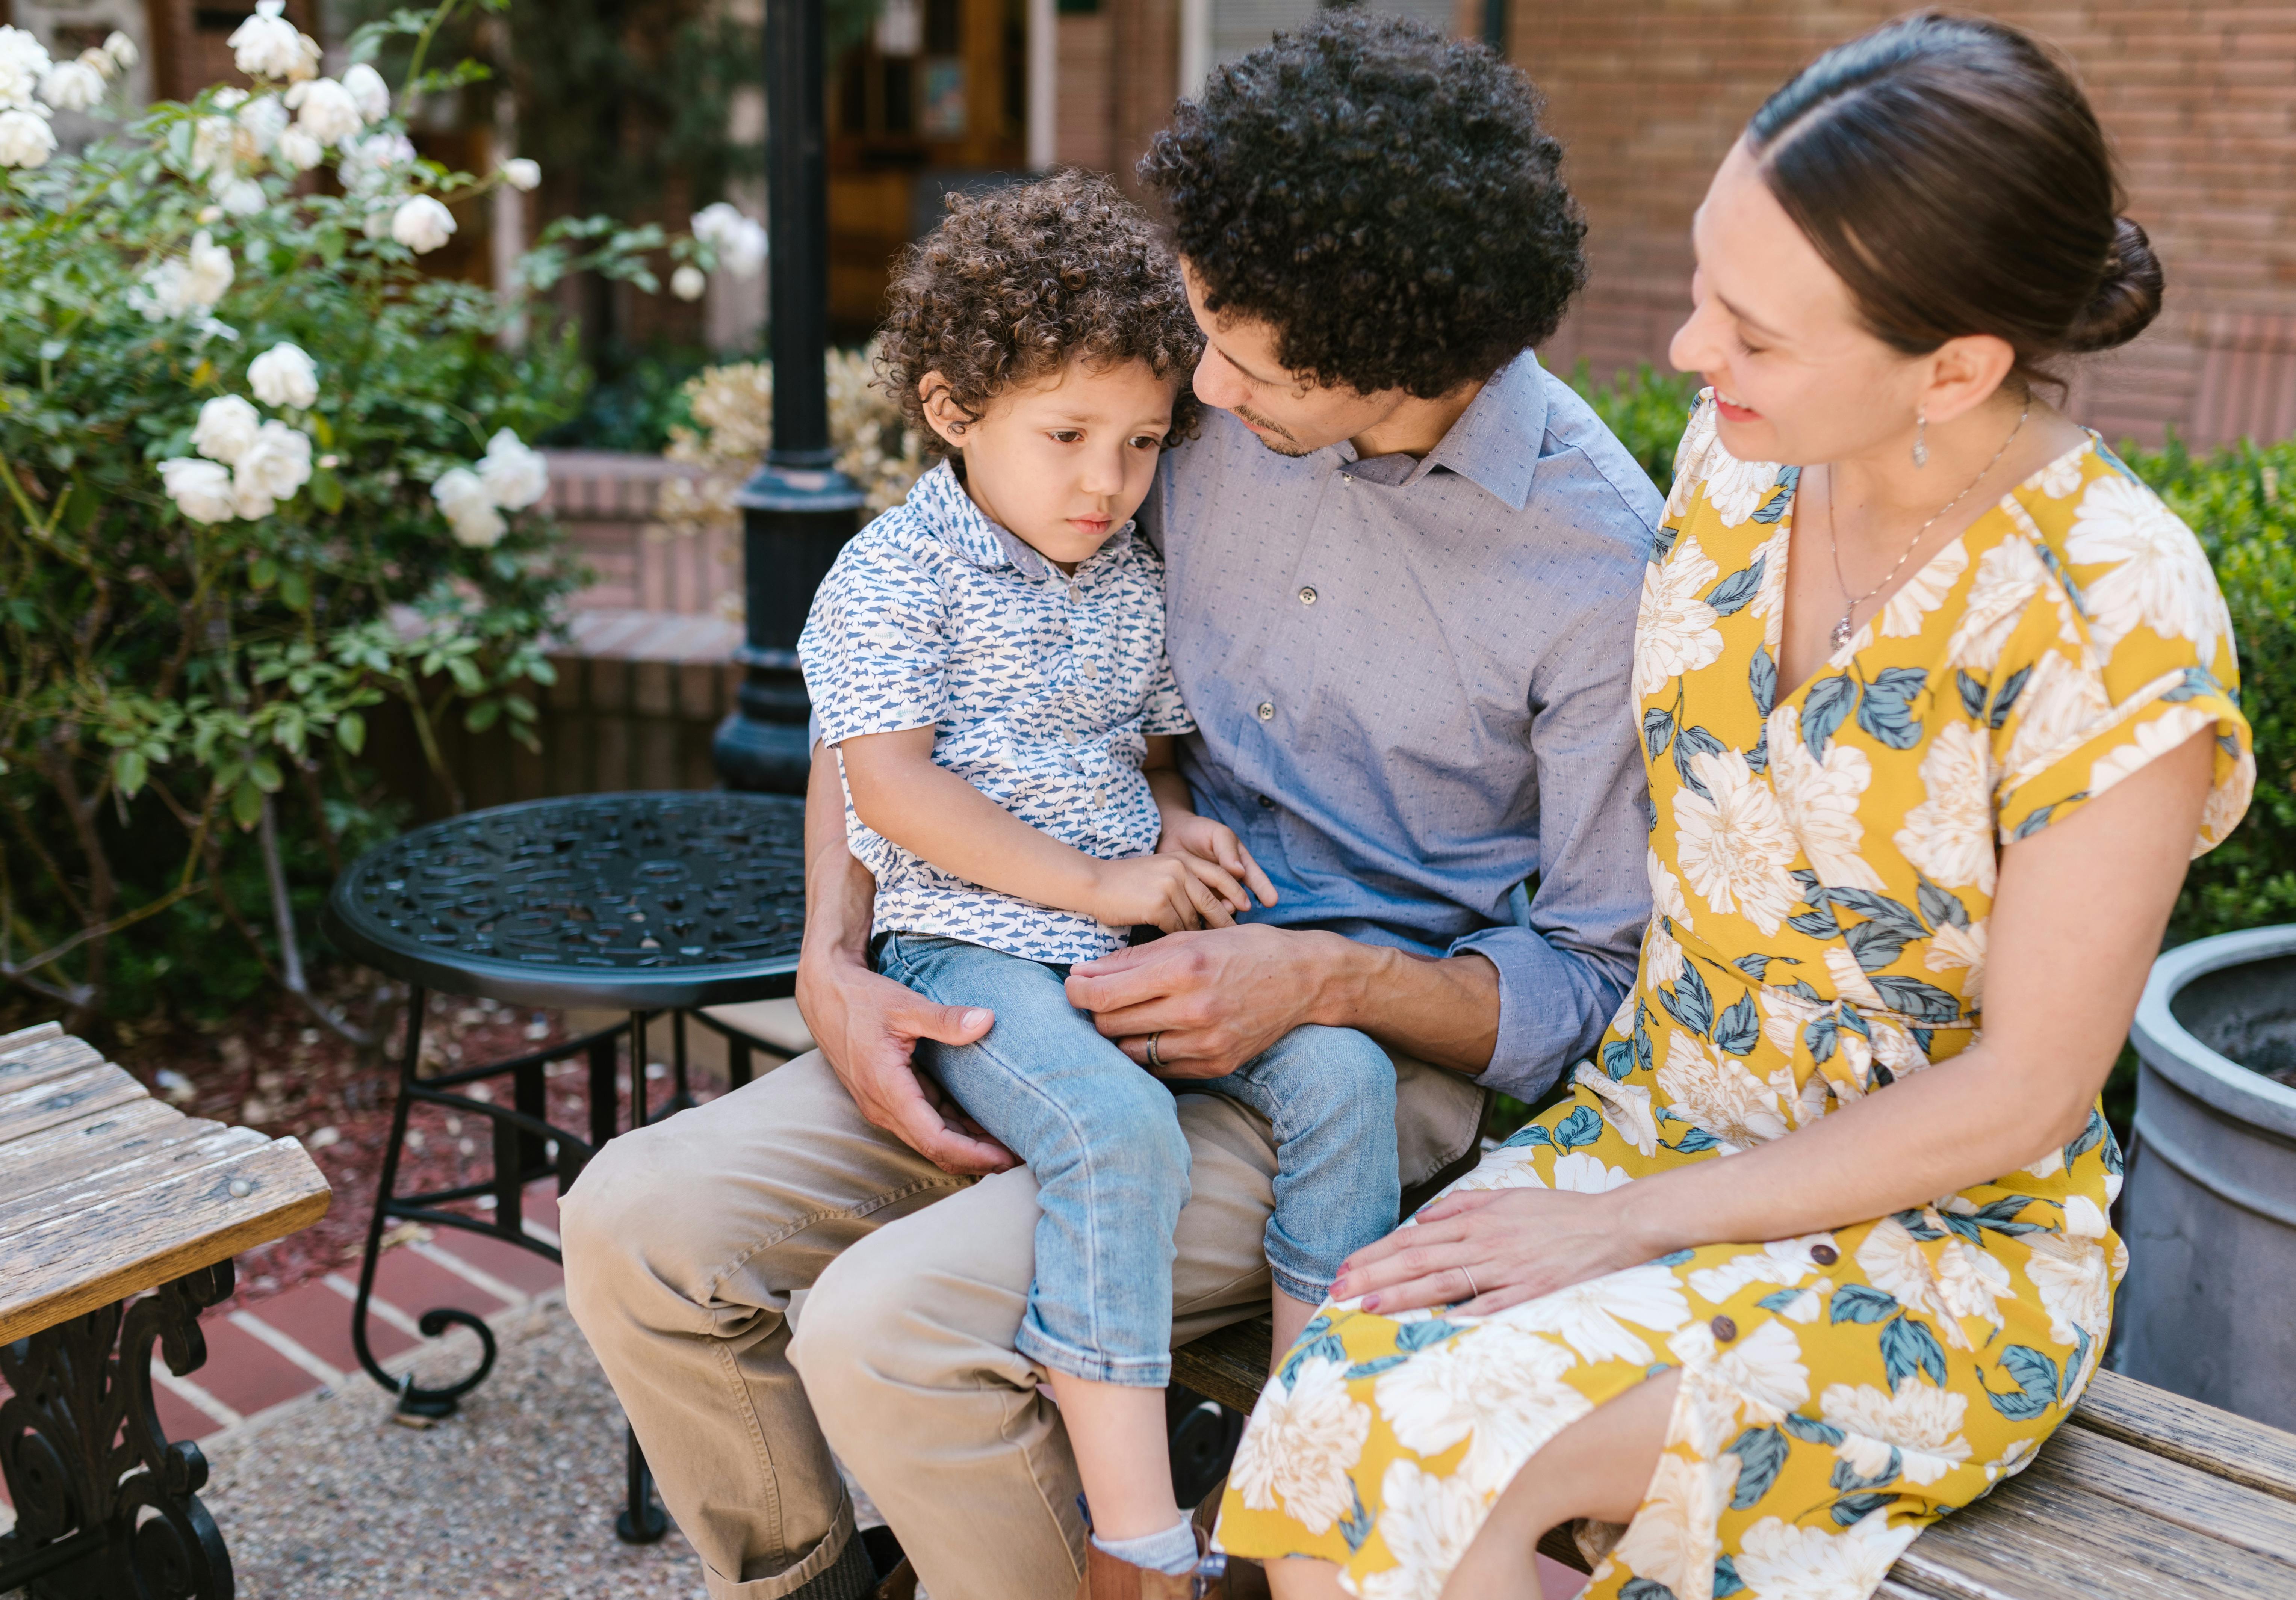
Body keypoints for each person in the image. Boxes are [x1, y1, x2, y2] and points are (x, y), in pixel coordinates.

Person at [559, 16, 1658, 1600]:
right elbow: (896, 686)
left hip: (1346, 1072)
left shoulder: (1597, 565)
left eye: (1243, 363)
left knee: (892, 1331)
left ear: (1396, 363)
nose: (1195, 389)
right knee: (636, 1225)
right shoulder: (1172, 418)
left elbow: (1591, 978)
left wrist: (1318, 978)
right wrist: (834, 958)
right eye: (1199, 337)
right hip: (1055, 966)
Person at [1212, 14, 2257, 1600]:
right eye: (1704, 283)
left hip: (1934, 1243)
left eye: (1752, 331)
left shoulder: (2112, 614)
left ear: (1954, 367)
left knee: (1435, 1448)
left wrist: (1630, 1226)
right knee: (1321, 1409)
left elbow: (2028, 1094)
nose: (1692, 352)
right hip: (1651, 1123)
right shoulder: (1737, 459)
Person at [797, 171, 1402, 1600]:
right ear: (953, 411)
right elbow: (888, 786)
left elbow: (1146, 753)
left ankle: (1298, 1471)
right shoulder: (896, 575)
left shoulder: (1123, 573)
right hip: (970, 951)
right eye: (1065, 436)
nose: (1104, 482)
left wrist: (1176, 835)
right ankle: (1140, 1544)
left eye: (1139, 443)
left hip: (1119, 928)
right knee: (1119, 1129)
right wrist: (1101, 878)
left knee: (1346, 1080)